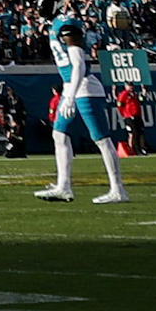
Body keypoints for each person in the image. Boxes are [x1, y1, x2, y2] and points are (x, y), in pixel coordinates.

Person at [34, 15, 127, 206]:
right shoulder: (53, 25)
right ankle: (63, 186)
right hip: (70, 86)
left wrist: (69, 97)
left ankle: (118, 189)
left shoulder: (66, 23)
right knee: (59, 135)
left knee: (101, 139)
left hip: (84, 87)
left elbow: (78, 64)